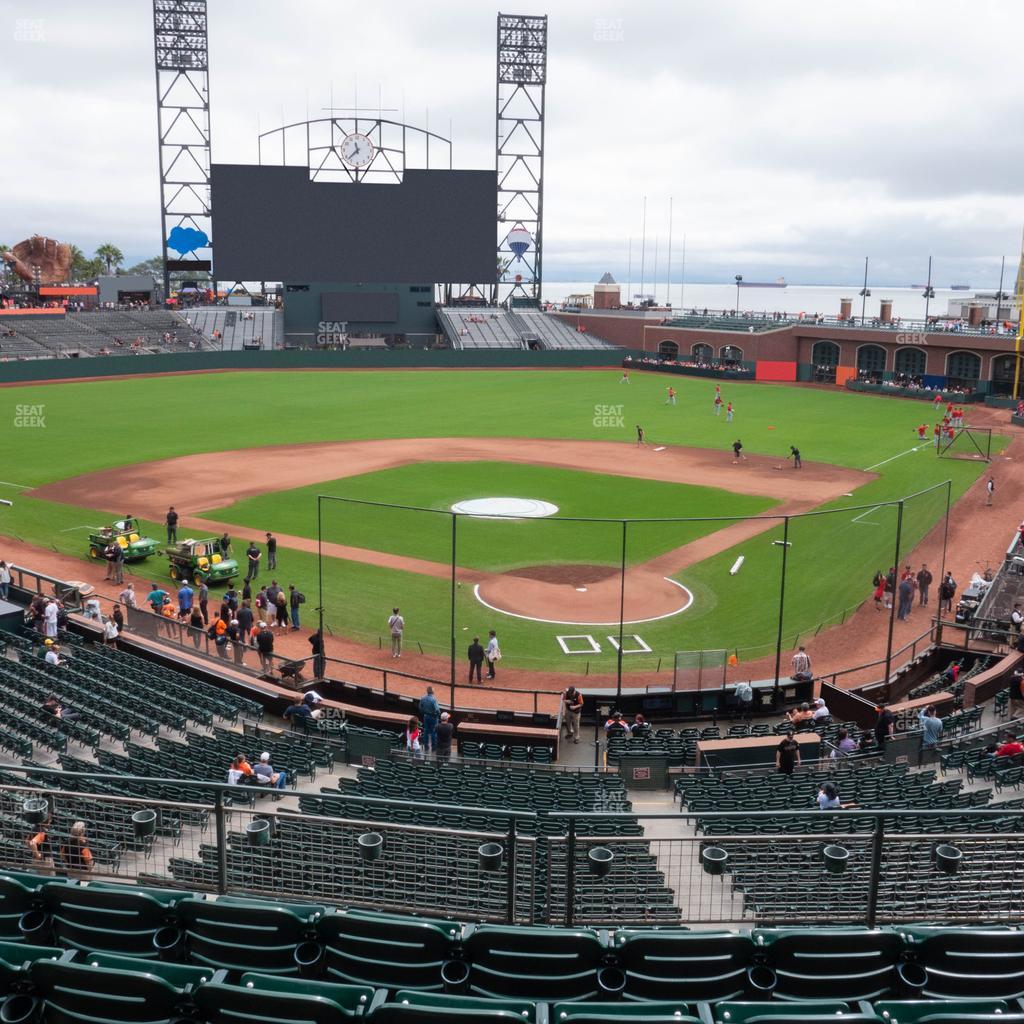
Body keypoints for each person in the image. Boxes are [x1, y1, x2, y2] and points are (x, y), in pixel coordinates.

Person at [419, 686, 440, 754]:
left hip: (426, 717)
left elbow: (420, 708)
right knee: (434, 732)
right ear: (432, 691)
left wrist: (425, 713)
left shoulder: (423, 698)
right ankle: (433, 748)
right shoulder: (433, 700)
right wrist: (437, 715)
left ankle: (426, 748)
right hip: (433, 718)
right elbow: (437, 710)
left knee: (426, 732)